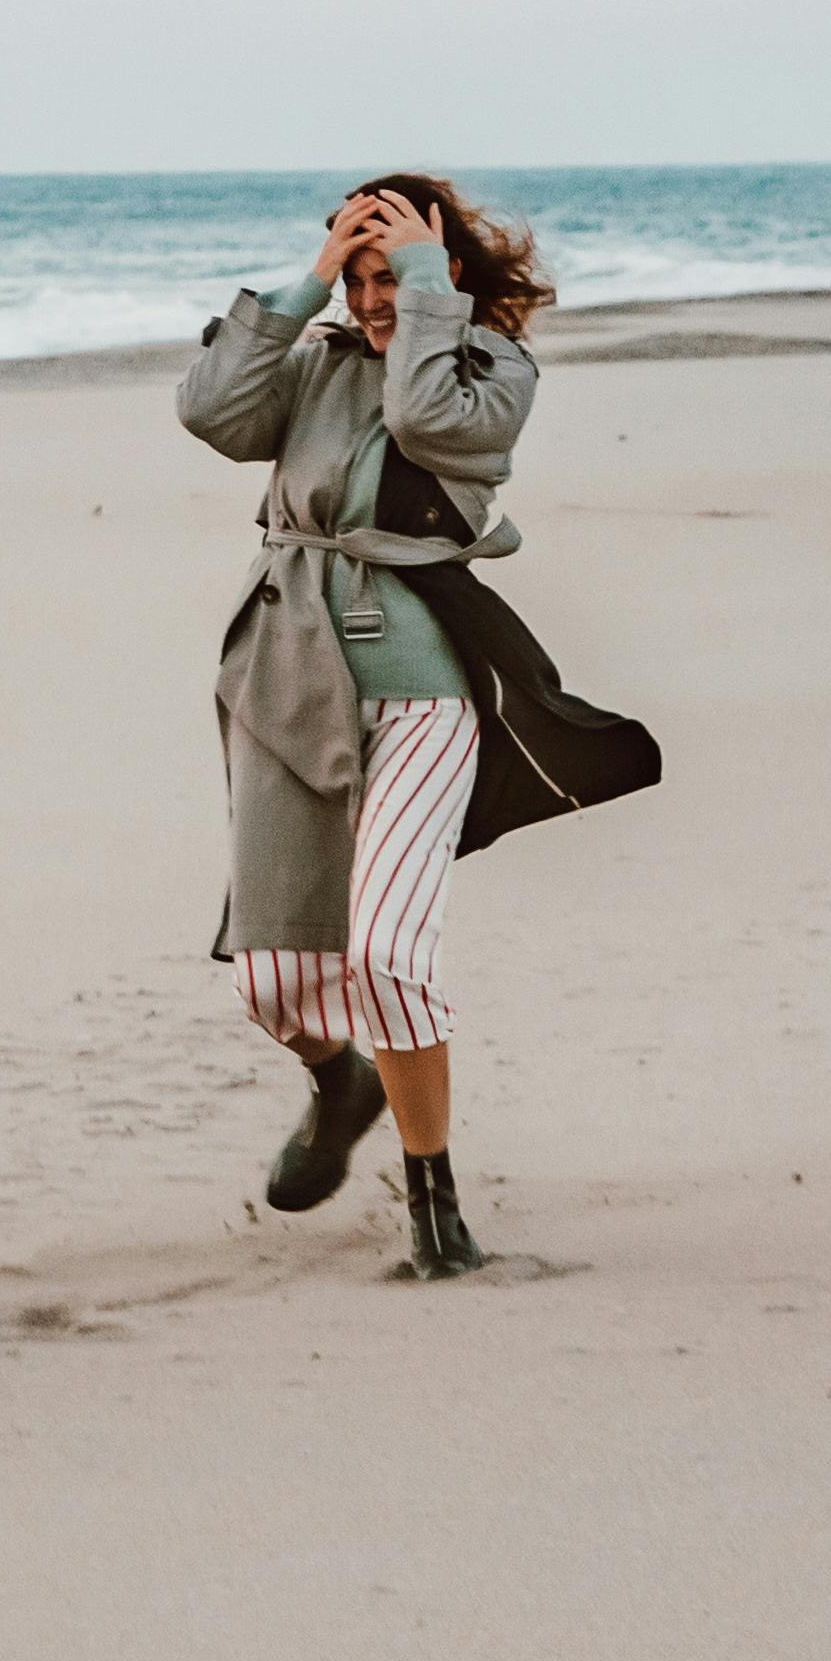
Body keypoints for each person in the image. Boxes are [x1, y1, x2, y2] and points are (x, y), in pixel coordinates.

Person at [178, 174, 657, 1277]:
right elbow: (210, 411)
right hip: (289, 680)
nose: (375, 294)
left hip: (425, 697)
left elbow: (424, 416)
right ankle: (337, 1080)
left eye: (391, 269)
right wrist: (304, 284)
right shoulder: (313, 365)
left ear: (442, 267)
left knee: (389, 951)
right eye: (360, 272)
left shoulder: (491, 369)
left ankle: (434, 1204)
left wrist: (433, 292)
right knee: (272, 984)